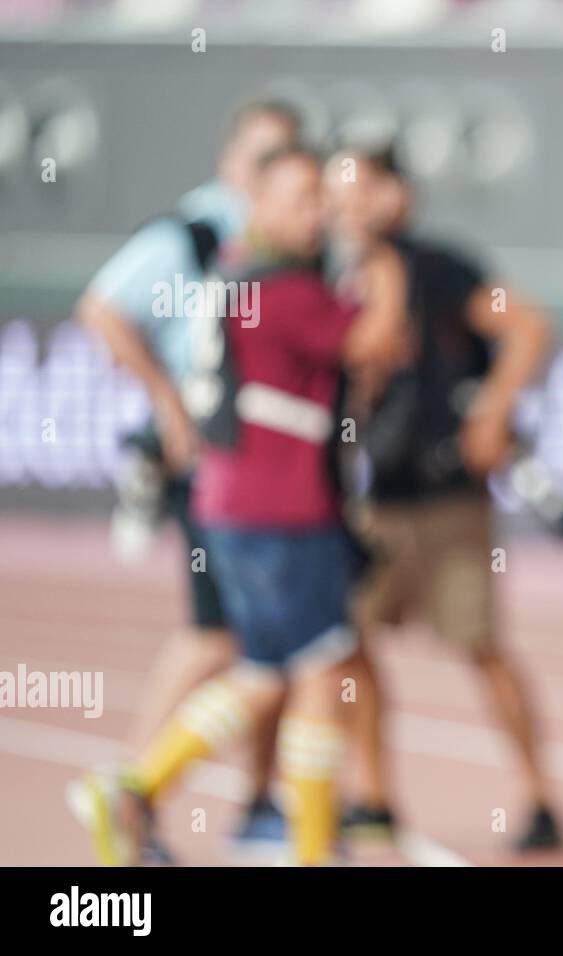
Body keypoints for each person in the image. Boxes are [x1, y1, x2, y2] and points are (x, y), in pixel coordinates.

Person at [68, 145, 409, 866]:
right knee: (317, 669)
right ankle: (288, 843)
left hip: (243, 503)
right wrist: (382, 257)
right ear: (256, 205)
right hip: (280, 508)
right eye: (300, 199)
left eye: (322, 197)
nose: (318, 213)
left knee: (267, 669)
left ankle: (136, 789)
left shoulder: (246, 279)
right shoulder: (283, 290)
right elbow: (375, 338)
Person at [73, 99, 300, 854]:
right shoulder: (193, 237)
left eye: (288, 157)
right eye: (260, 156)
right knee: (227, 640)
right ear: (230, 161)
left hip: (275, 470)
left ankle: (258, 803)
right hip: (216, 467)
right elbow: (102, 310)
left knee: (274, 647)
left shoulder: (295, 240)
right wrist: (168, 405)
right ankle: (133, 789)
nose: (275, 172)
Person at [323, 148, 563, 851]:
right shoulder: (333, 276)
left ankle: (541, 798)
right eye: (343, 190)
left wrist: (491, 412)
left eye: (369, 186)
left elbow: (528, 327)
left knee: (482, 646)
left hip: (450, 498)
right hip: (367, 499)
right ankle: (371, 796)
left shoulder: (442, 268)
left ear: (401, 194)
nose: (355, 203)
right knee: (345, 647)